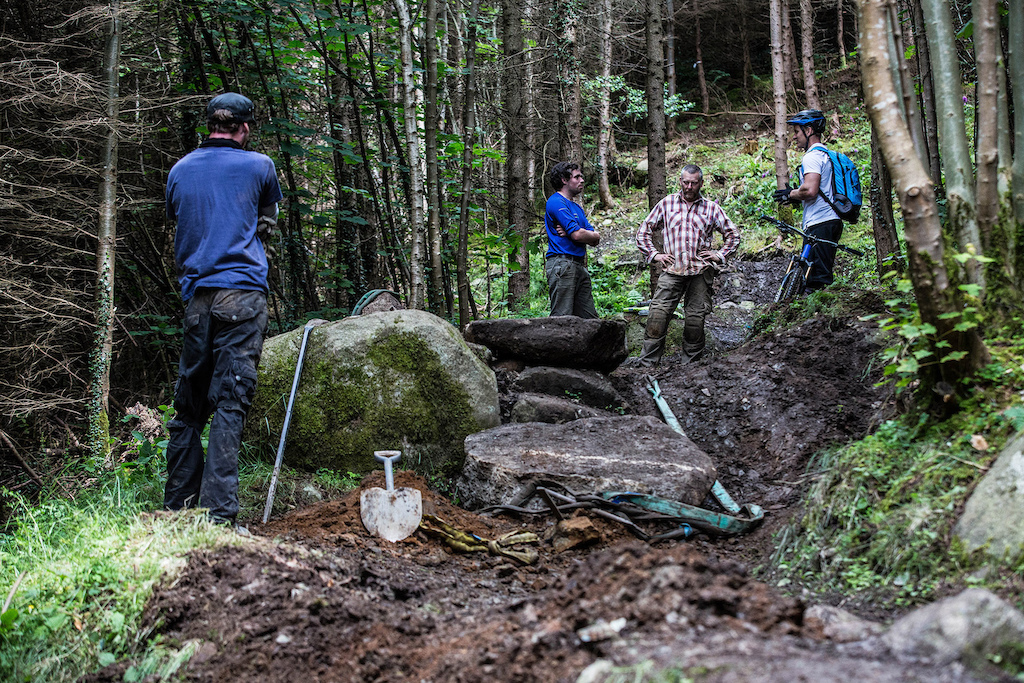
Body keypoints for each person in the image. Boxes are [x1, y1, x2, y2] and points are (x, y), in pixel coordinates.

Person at [164, 92, 283, 528]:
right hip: (243, 297)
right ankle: (219, 519)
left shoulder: (179, 170)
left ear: (210, 124)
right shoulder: (259, 166)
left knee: (188, 409)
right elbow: (266, 221)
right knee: (231, 403)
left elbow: (182, 221)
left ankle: (176, 512)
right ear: (244, 128)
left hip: (197, 300)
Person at [635, 164, 741, 367]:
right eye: (685, 182)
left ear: (701, 183)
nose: (689, 186)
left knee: (695, 319)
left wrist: (719, 255)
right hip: (672, 270)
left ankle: (690, 367)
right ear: (680, 182)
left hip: (700, 271)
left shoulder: (711, 208)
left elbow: (733, 235)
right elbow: (643, 231)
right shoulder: (666, 204)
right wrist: (655, 255)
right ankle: (647, 364)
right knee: (657, 315)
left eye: (694, 183)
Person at [773, 108, 842, 292]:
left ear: (809, 130)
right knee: (813, 275)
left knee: (816, 280)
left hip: (821, 222)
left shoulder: (812, 156)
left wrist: (790, 194)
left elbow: (810, 190)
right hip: (827, 221)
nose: (794, 137)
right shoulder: (825, 155)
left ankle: (820, 317)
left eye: (797, 131)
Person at [544, 161, 601, 318]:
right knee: (561, 318)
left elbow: (594, 238)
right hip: (562, 264)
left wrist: (588, 234)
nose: (582, 180)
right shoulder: (556, 201)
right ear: (564, 179)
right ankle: (554, 343)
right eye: (577, 177)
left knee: (589, 319)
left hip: (578, 265)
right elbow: (578, 235)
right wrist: (579, 233)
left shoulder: (577, 208)